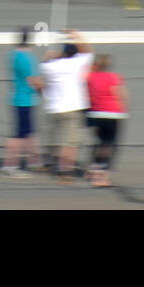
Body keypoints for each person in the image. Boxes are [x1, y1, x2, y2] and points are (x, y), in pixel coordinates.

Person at [39, 28, 93, 182]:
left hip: (54, 108)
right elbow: (88, 52)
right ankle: (65, 171)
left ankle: (51, 162)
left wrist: (54, 55)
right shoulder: (77, 63)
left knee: (55, 138)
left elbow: (44, 61)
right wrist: (77, 35)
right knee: (70, 143)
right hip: (73, 108)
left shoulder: (50, 67)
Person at [1, 28, 43, 177]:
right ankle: (10, 165)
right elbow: (34, 80)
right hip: (25, 100)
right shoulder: (27, 58)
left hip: (17, 97)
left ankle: (35, 161)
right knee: (19, 135)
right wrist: (44, 90)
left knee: (28, 132)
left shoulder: (14, 55)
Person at [85, 54, 129, 188]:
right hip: (112, 113)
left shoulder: (90, 77)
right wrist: (125, 109)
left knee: (100, 142)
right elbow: (121, 96)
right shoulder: (113, 78)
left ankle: (93, 169)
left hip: (95, 113)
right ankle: (101, 175)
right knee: (109, 145)